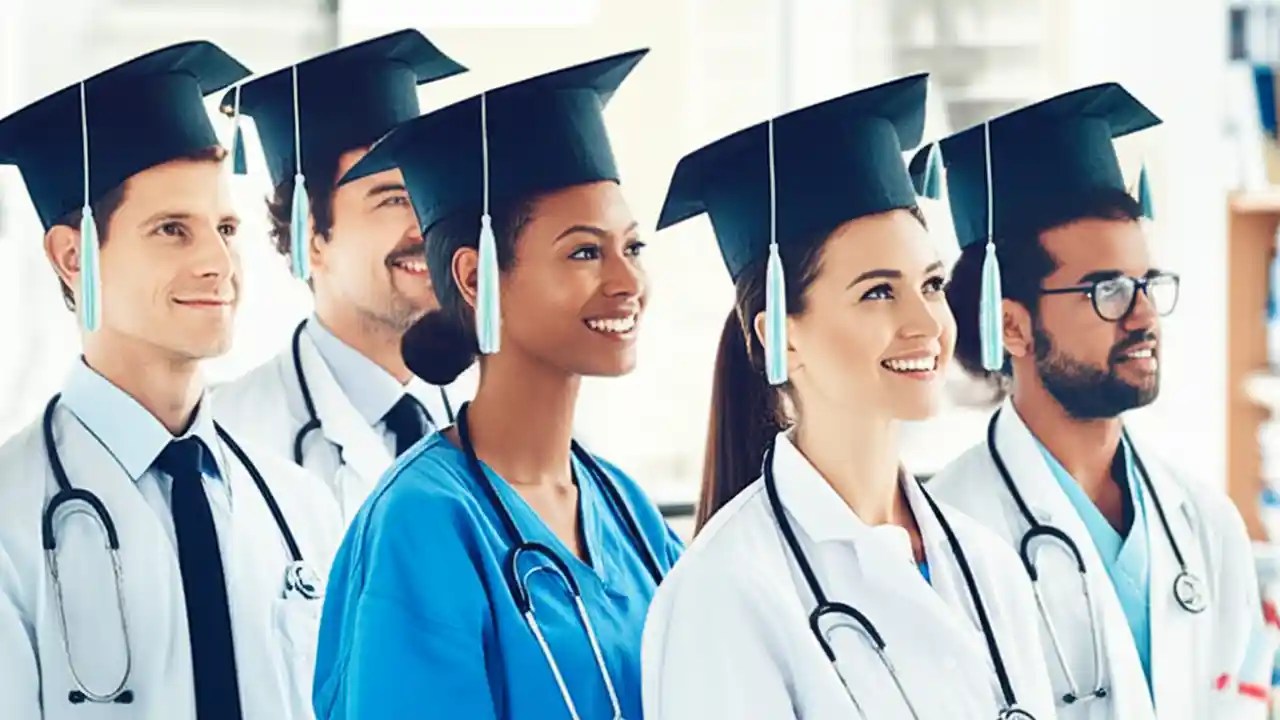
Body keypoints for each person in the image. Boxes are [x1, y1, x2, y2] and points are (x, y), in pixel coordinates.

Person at [641, 75, 1056, 720]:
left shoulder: (989, 566)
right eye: (878, 292)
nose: (925, 323)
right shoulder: (723, 592)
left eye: (932, 285)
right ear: (783, 337)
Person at [312, 49, 684, 720]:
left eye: (632, 248)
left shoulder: (624, 506)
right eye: (584, 252)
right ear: (475, 277)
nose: (628, 282)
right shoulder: (422, 522)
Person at [0, 42, 342, 720]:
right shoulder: (8, 517)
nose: (219, 262)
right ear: (72, 256)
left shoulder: (299, 504)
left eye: (226, 228)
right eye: (171, 230)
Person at [922, 84, 1268, 719]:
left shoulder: (1205, 520)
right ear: (1013, 325)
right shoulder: (944, 535)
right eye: (1107, 291)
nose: (1144, 316)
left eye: (1147, 284)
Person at [214, 30, 468, 522]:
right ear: (312, 237)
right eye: (393, 199)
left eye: (429, 192)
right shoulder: (229, 434)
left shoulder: (493, 414)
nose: (426, 225)